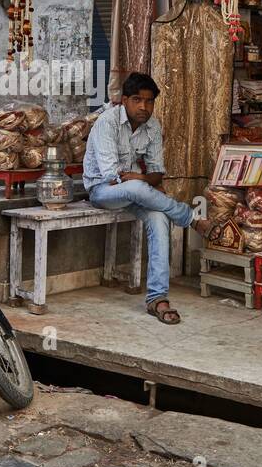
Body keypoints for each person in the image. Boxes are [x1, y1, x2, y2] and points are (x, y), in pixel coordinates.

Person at [82, 72, 212, 325]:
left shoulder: (153, 126)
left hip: (135, 193)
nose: (143, 106)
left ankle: (157, 298)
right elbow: (113, 176)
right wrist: (142, 180)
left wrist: (140, 179)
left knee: (160, 217)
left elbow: (157, 172)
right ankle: (191, 218)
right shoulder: (107, 122)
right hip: (102, 191)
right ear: (124, 101)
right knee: (138, 189)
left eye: (149, 101)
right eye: (137, 100)